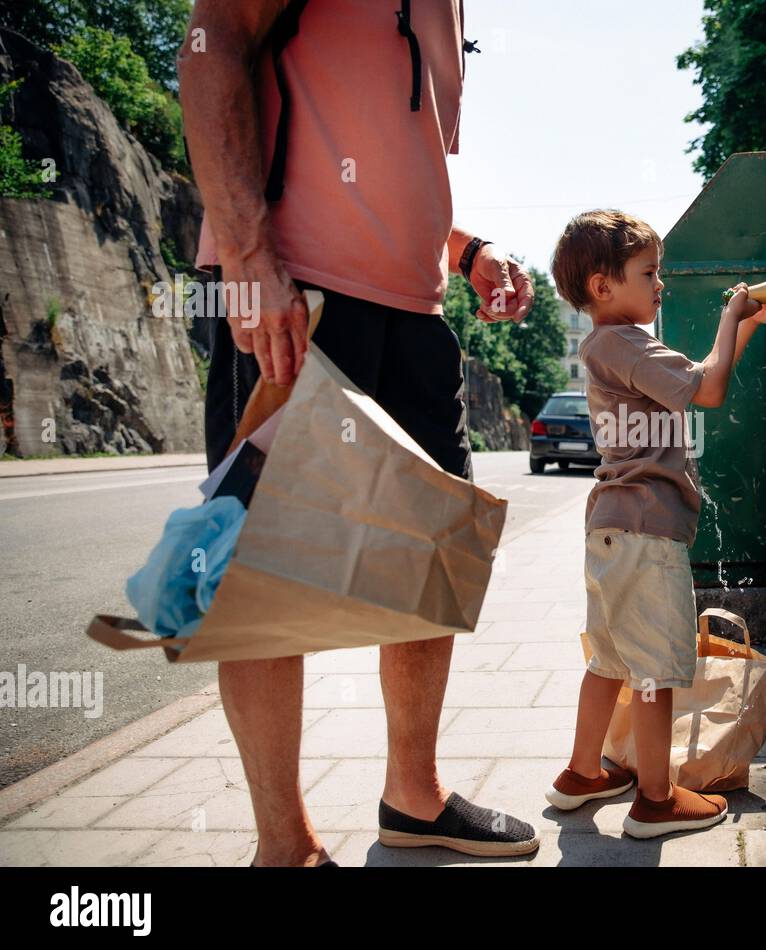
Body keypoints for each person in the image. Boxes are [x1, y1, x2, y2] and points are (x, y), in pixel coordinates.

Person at [177, 0, 538, 865]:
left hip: (412, 310)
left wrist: (465, 250)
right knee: (264, 575)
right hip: (297, 292)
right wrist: (249, 254)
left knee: (432, 559)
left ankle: (414, 797)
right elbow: (211, 48)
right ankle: (285, 847)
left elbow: (374, 161)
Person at [543, 210, 766, 838]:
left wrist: (747, 325)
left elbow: (697, 380)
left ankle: (582, 774)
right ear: (603, 286)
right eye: (648, 273)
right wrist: (731, 314)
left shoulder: (608, 345)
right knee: (657, 668)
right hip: (647, 531)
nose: (661, 284)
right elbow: (709, 392)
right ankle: (655, 801)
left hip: (610, 531)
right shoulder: (627, 341)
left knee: (607, 660)